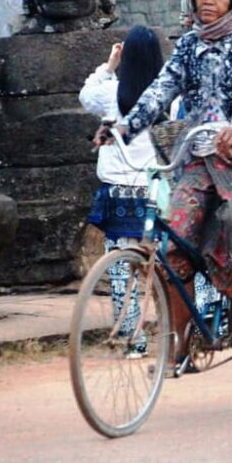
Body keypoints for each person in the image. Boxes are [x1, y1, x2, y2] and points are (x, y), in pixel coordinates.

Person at [94, 0, 232, 365]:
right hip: (199, 157)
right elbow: (160, 91)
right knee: (171, 246)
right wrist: (122, 129)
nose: (209, 2)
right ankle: (181, 344)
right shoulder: (188, 45)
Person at [80, 25, 164, 358]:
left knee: (120, 266)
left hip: (118, 193)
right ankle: (181, 328)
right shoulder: (165, 96)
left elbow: (86, 94)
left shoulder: (111, 92)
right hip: (155, 191)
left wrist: (109, 65)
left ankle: (132, 339)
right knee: (168, 262)